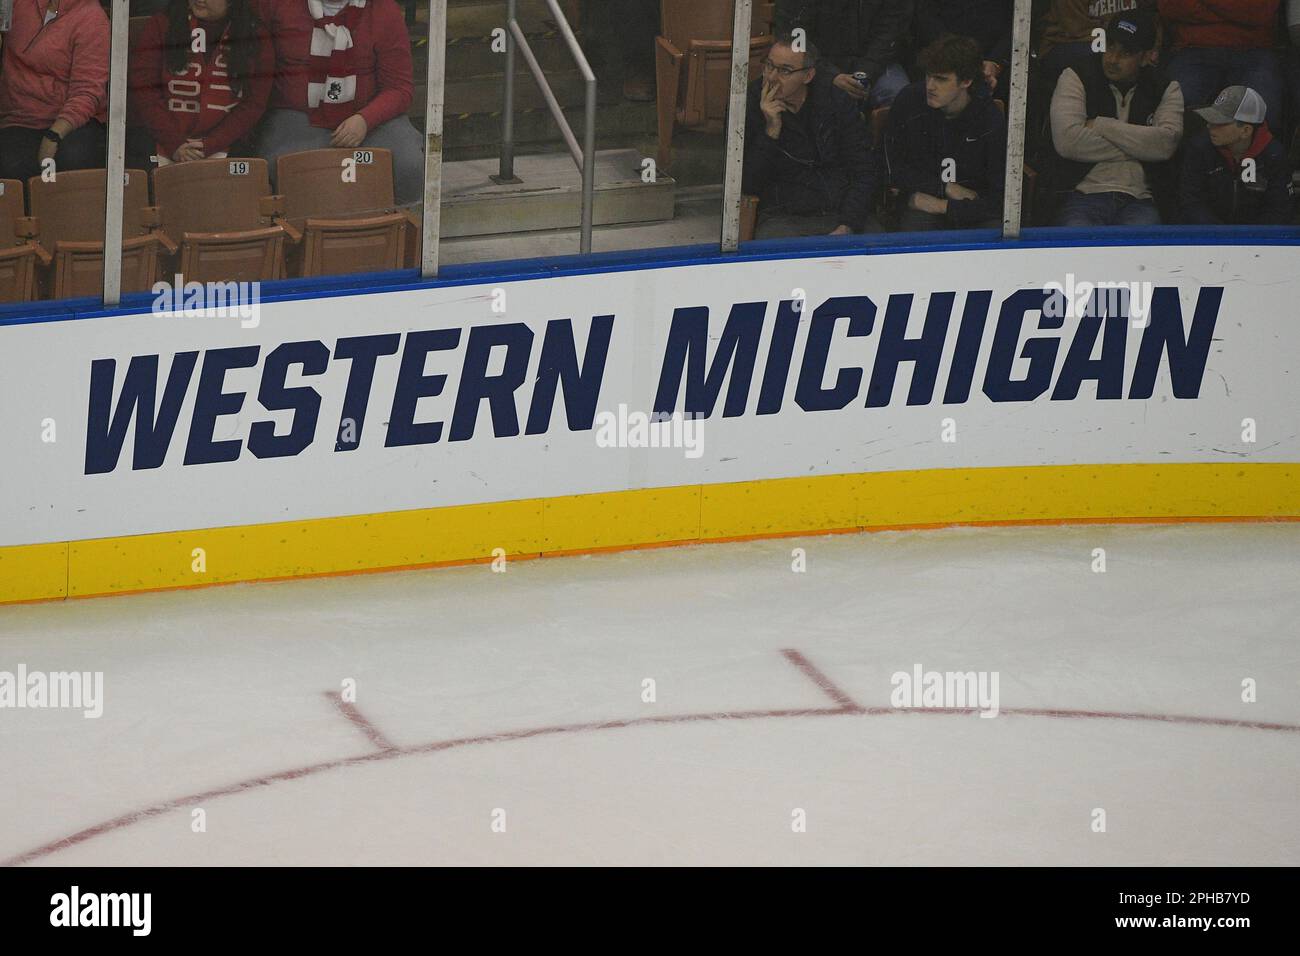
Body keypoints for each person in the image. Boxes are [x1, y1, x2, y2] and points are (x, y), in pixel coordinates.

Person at [253, 0, 423, 204]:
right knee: (279, 164)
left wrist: (365, 119)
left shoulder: (383, 9)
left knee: (408, 162)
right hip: (299, 114)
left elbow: (399, 87)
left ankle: (398, 228)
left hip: (368, 115)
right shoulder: (278, 5)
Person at [1048, 9, 1183, 226]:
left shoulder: (1166, 87)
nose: (1112, 59)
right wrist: (1141, 147)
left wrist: (1102, 125)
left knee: (1142, 251)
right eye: (1110, 47)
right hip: (1082, 195)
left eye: (1126, 53)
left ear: (1146, 57)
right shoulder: (1076, 75)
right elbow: (1067, 142)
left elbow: (1165, 145)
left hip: (1140, 200)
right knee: (1077, 247)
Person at [742, 32, 876, 237]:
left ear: (808, 75)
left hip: (842, 213)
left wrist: (848, 223)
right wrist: (770, 131)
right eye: (769, 65)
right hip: (784, 217)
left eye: (785, 70)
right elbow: (748, 183)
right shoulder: (749, 102)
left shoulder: (835, 101)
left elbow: (863, 168)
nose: (771, 77)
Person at [128, 0, 274, 166]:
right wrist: (174, 143)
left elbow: (254, 103)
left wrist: (210, 144)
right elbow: (145, 92)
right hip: (162, 136)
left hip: (227, 140)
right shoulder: (161, 24)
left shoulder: (256, 35)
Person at [884, 34, 1007, 230]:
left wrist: (943, 206)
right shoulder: (909, 102)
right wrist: (944, 188)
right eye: (928, 75)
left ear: (966, 81)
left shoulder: (989, 118)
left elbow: (1000, 197)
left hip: (972, 209)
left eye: (941, 79)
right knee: (917, 237)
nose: (930, 86)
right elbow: (891, 169)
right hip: (920, 204)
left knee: (994, 235)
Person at [0, 0, 109, 182]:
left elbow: (87, 91)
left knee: (72, 158)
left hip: (72, 123)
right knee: (10, 164)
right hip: (18, 119)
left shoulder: (93, 18)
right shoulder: (16, 4)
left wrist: (54, 136)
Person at [1158, 0, 1283, 134]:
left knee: (1263, 112)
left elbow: (1260, 11)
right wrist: (1236, 11)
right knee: (1171, 110)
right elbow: (1170, 7)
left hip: (1253, 51)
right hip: (1193, 49)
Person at [1179, 85, 1292, 224]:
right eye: (1210, 120)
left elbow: (1279, 209)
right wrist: (1219, 234)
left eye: (1219, 122)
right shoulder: (1199, 148)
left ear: (1245, 131)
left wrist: (1250, 238)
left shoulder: (1274, 155)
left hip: (1257, 239)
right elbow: (1191, 201)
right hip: (1210, 236)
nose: (1209, 126)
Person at [774, 0, 914, 109]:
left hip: (874, 63)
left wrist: (864, 75)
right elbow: (794, 39)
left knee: (899, 95)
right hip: (814, 66)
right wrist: (830, 76)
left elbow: (890, 31)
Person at [913, 0, 1013, 98]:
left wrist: (995, 62)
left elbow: (1018, 21)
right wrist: (954, 53)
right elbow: (926, 16)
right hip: (942, 55)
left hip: (997, 61)